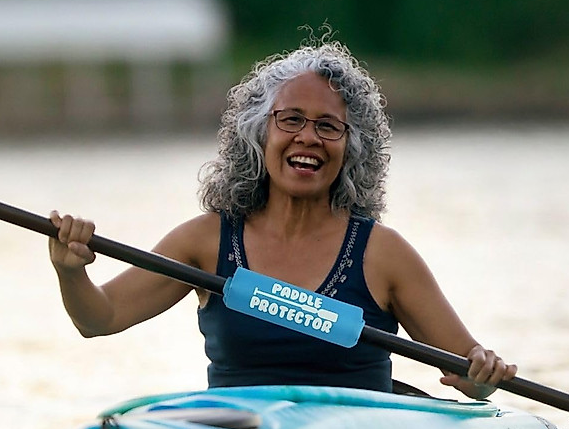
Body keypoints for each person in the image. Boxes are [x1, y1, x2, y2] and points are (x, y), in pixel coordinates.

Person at [48, 38, 515, 399]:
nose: (307, 138)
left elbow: (467, 371)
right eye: (290, 120)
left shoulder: (383, 255)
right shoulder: (206, 241)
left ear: (351, 149)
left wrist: (483, 372)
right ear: (259, 133)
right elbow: (100, 318)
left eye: (328, 126)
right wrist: (70, 273)